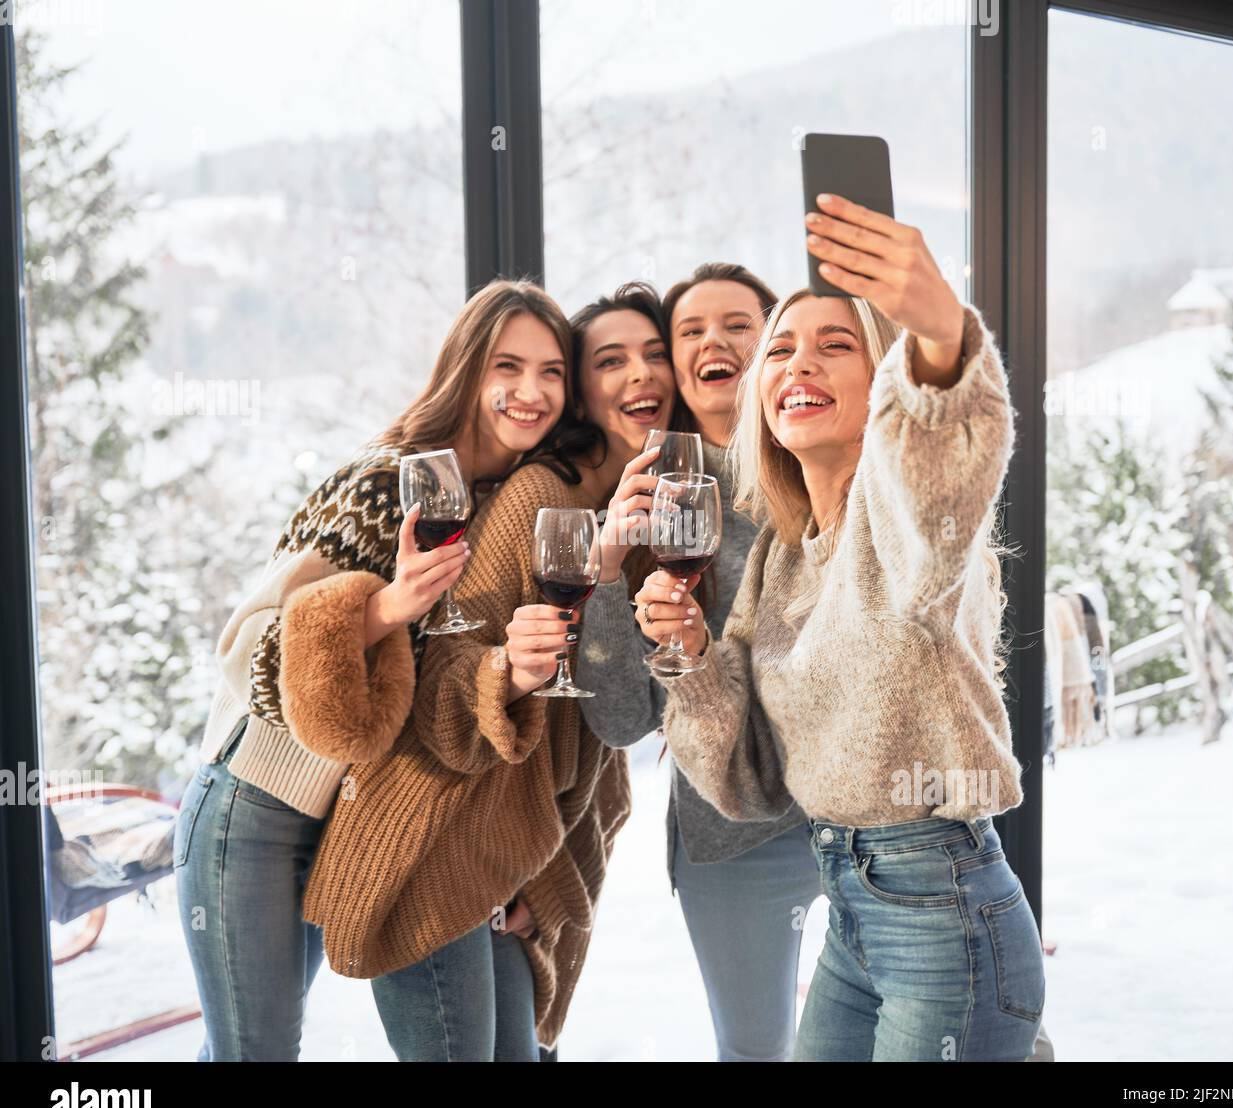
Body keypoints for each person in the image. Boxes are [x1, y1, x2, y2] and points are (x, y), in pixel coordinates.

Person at [633, 195, 1047, 1060]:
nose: (796, 363)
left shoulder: (906, 522)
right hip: (852, 913)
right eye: (778, 349)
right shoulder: (781, 561)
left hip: (945, 915)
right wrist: (692, 657)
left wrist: (940, 336)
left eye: (835, 344)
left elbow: (937, 452)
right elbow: (748, 786)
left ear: (885, 378)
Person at [174, 278, 569, 1061]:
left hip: (341, 827)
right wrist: (384, 610)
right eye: (507, 367)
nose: (531, 392)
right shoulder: (389, 481)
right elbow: (245, 644)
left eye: (552, 371)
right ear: (465, 369)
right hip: (255, 809)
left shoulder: (505, 501)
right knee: (252, 1053)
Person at [294, 282, 675, 1059]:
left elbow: (609, 730)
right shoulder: (543, 493)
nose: (640, 374)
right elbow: (445, 673)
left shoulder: (641, 518)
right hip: (431, 845)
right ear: (584, 389)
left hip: (503, 859)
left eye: (655, 354)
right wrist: (504, 672)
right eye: (609, 360)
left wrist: (544, 872)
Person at [575, 262, 827, 1061]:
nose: (714, 341)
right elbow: (620, 721)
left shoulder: (828, 461)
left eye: (738, 324)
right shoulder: (647, 497)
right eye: (692, 330)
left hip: (859, 815)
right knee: (756, 1051)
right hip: (731, 834)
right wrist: (609, 570)